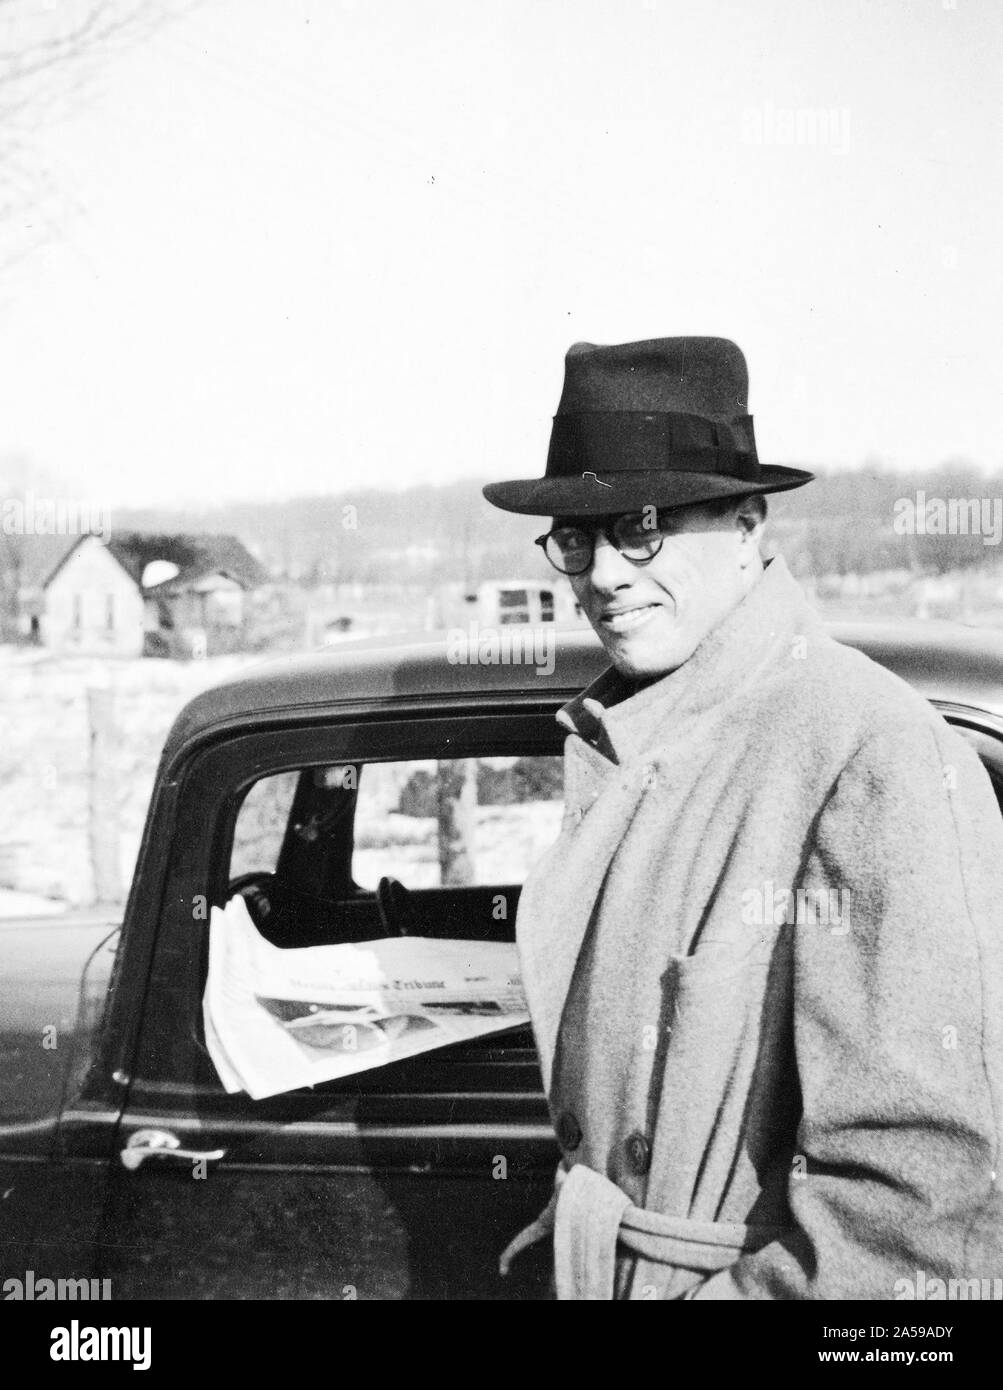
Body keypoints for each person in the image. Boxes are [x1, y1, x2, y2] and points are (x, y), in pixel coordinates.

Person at [483, 336, 1003, 1300]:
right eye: (576, 537)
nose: (602, 575)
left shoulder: (864, 753)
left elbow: (921, 1217)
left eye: (641, 528)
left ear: (747, 527)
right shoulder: (640, 729)